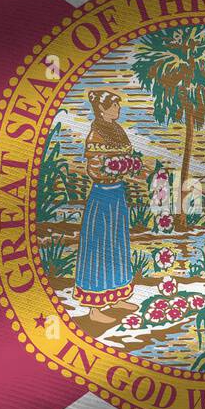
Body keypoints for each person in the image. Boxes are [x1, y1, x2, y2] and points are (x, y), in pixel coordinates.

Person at [75, 89, 139, 324]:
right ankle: (95, 307)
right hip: (102, 196)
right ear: (102, 109)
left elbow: (127, 159)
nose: (118, 109)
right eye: (114, 105)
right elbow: (95, 169)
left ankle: (118, 296)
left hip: (117, 195)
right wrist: (116, 168)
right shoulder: (95, 134)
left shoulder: (118, 131)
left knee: (117, 245)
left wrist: (128, 167)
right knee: (99, 247)